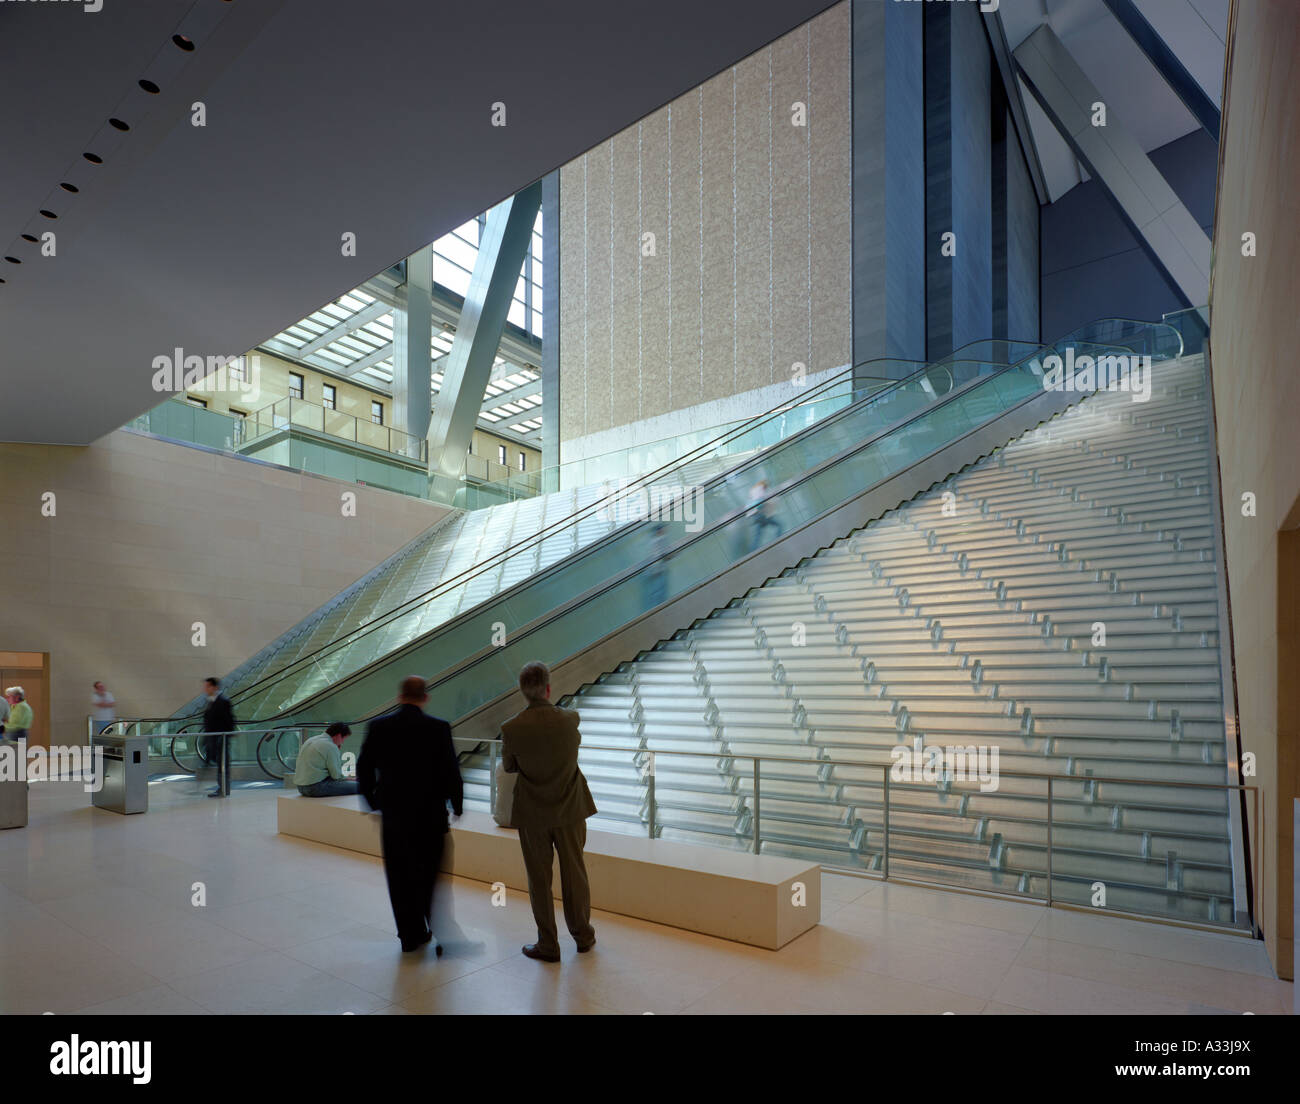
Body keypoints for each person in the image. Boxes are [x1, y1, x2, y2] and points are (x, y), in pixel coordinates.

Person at [358, 676, 463, 953]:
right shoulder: (438, 728)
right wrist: (458, 804)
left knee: (400, 875)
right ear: (425, 698)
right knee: (430, 875)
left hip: (394, 817)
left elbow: (364, 767)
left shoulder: (379, 727)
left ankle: (410, 935)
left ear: (399, 696)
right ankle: (439, 930)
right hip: (431, 816)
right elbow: (451, 771)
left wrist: (372, 801)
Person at [501, 661, 597, 962]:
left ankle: (548, 945)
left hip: (533, 814)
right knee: (575, 874)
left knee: (539, 879)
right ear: (548, 688)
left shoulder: (512, 727)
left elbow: (509, 766)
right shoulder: (570, 720)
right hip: (570, 809)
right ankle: (583, 936)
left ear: (523, 692)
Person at [294, 723, 359, 796]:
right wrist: (350, 779)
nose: (342, 742)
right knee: (360, 786)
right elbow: (336, 776)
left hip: (300, 787)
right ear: (339, 735)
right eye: (344, 739)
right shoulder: (330, 746)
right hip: (315, 788)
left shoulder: (311, 740)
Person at [200, 677, 235, 798]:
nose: (205, 689)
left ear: (214, 687)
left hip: (221, 739)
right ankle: (222, 788)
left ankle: (224, 789)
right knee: (219, 763)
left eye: (207, 686)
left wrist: (225, 736)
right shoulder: (211, 700)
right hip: (213, 739)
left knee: (223, 764)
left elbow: (229, 721)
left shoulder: (223, 701)